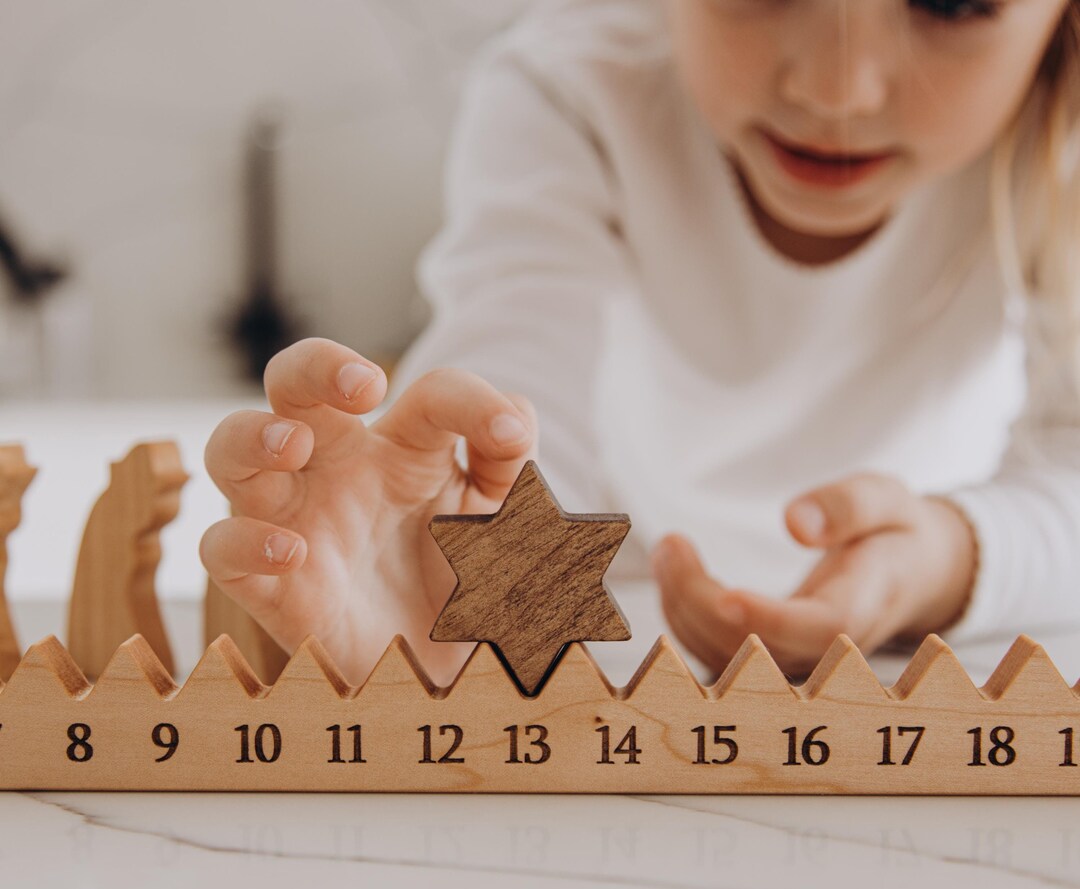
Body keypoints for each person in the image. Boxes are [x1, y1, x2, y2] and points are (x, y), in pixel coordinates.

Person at [200, 0, 1080, 685]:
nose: (834, 90)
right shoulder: (571, 86)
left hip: (939, 616)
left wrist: (944, 559)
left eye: (955, 3)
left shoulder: (1063, 134)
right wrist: (481, 595)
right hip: (610, 606)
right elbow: (514, 382)